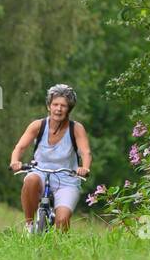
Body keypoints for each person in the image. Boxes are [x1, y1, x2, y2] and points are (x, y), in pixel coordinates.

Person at [8, 84, 92, 232]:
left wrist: (84, 168)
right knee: (30, 179)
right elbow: (19, 147)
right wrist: (15, 161)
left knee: (62, 220)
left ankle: (60, 249)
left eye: (63, 106)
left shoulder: (76, 128)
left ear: (69, 109)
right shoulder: (38, 125)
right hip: (40, 173)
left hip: (67, 178)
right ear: (49, 106)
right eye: (55, 104)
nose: (58, 109)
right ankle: (29, 226)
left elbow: (85, 152)